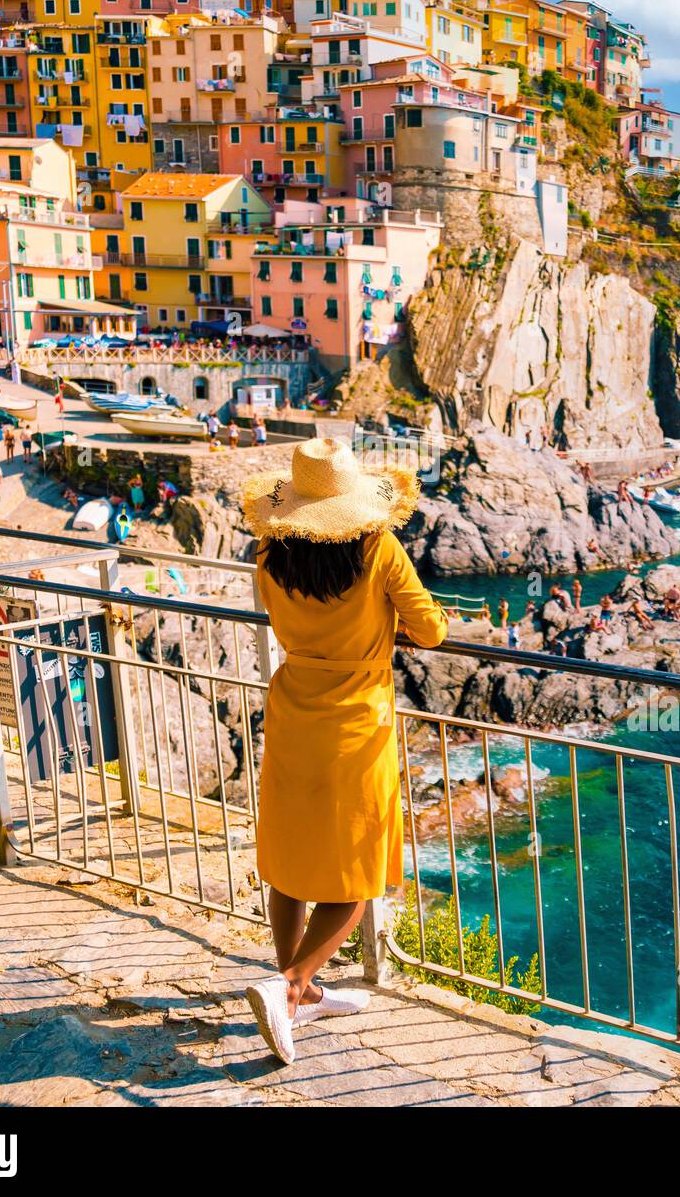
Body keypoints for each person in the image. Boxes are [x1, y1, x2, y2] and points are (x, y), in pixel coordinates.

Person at [241, 438, 447, 1064]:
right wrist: (389, 625)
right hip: (357, 724)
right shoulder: (378, 548)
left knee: (290, 864)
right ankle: (292, 985)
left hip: (293, 712)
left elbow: (284, 623)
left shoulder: (269, 555)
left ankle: (298, 993)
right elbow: (432, 628)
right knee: (357, 880)